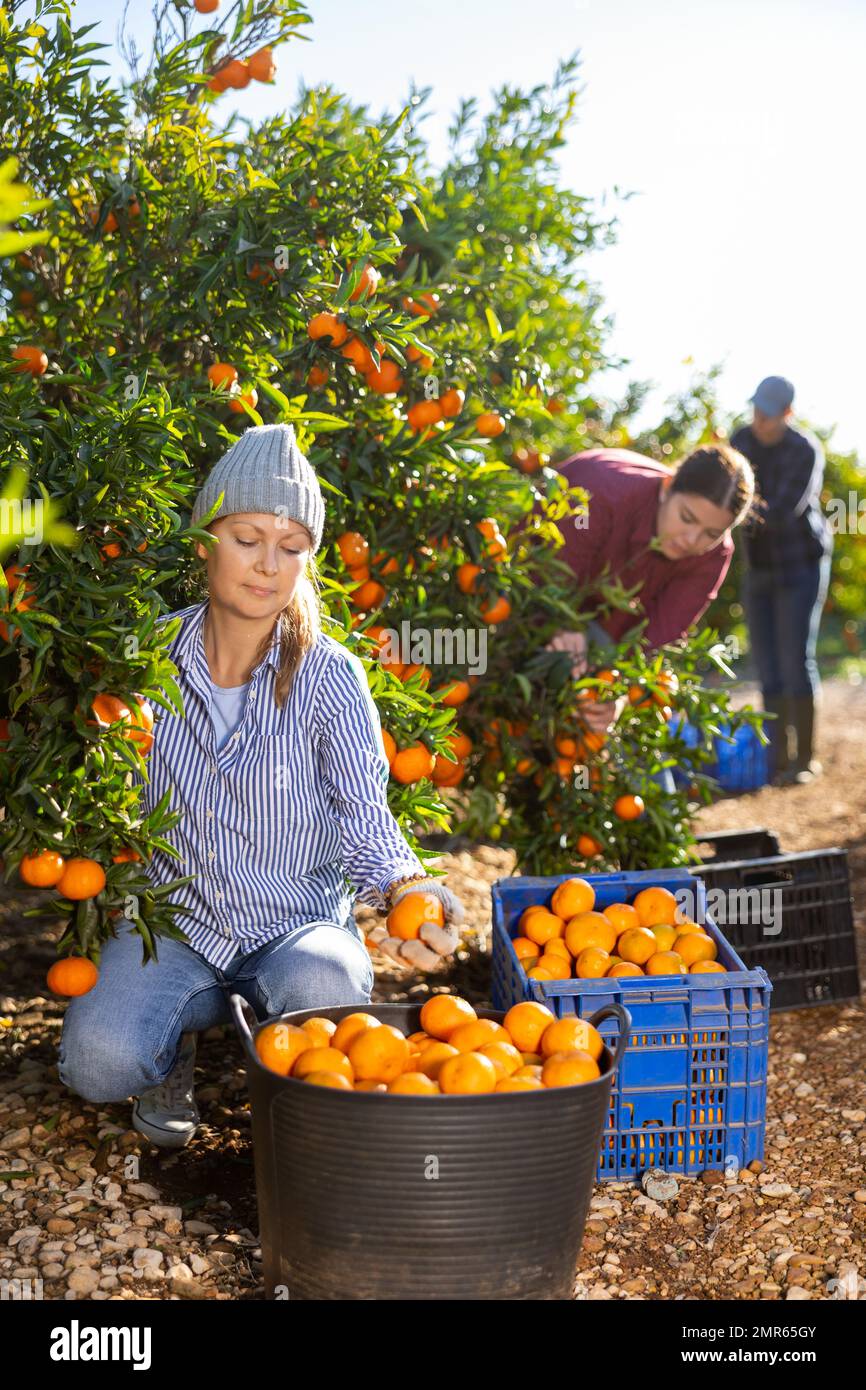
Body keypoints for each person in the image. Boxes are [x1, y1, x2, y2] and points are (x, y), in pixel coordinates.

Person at [57, 423, 465, 1148]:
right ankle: (170, 1048)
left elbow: (365, 817)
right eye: (248, 538)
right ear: (206, 538)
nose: (268, 564)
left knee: (324, 986)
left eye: (292, 547)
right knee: (96, 1063)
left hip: (293, 927)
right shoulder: (145, 660)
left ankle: (290, 1090)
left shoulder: (329, 674)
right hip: (173, 927)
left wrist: (410, 891)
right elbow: (105, 806)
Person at [540, 444, 756, 767]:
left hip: (605, 630)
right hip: (527, 590)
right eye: (687, 518)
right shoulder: (601, 493)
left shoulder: (713, 554)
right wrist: (563, 624)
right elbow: (548, 572)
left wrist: (623, 696)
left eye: (710, 533)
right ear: (668, 485)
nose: (691, 540)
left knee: (617, 735)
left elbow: (657, 637)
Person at [731, 377, 832, 785]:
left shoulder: (804, 450)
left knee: (795, 659)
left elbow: (783, 510)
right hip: (760, 569)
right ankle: (776, 759)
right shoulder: (742, 440)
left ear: (787, 414)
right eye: (756, 410)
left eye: (768, 415)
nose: (759, 421)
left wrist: (730, 507)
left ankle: (804, 759)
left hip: (799, 566)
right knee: (767, 664)